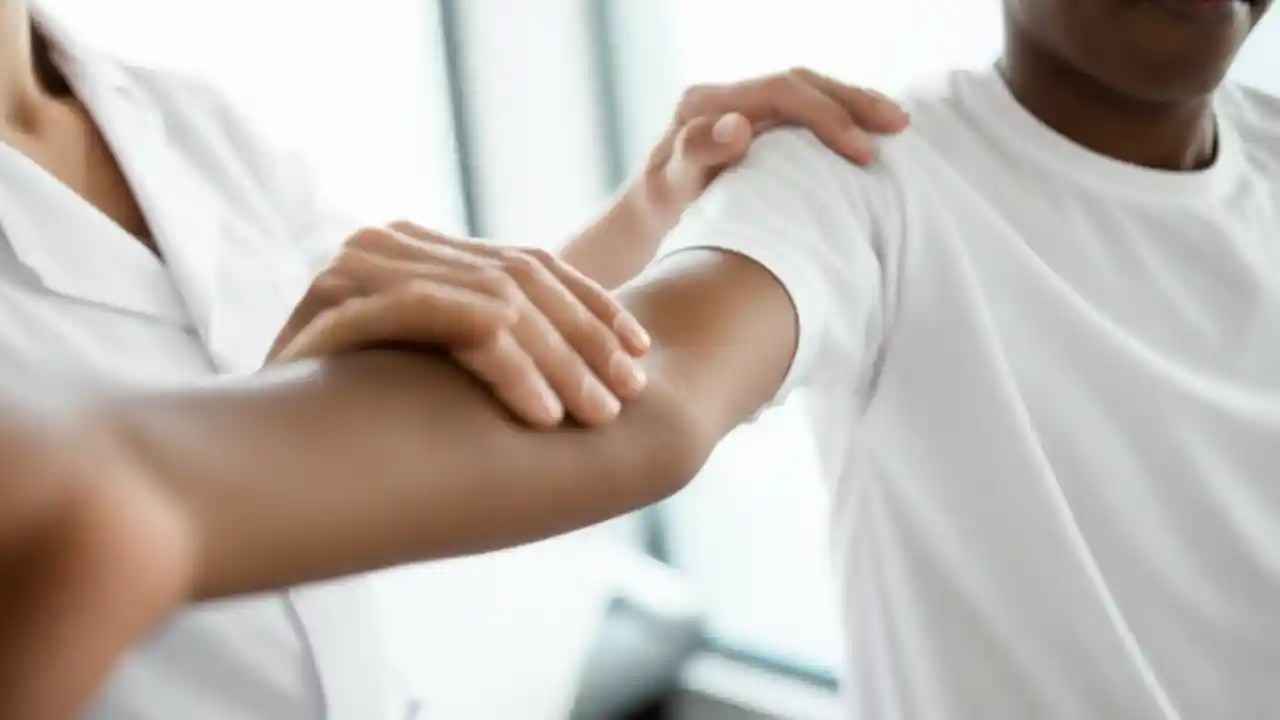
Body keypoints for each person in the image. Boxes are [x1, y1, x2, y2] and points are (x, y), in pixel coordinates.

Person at [13, 0, 1278, 718]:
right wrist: (130, 509)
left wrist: (651, 207)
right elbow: (644, 393)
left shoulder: (191, 129)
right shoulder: (879, 179)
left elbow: (482, 354)